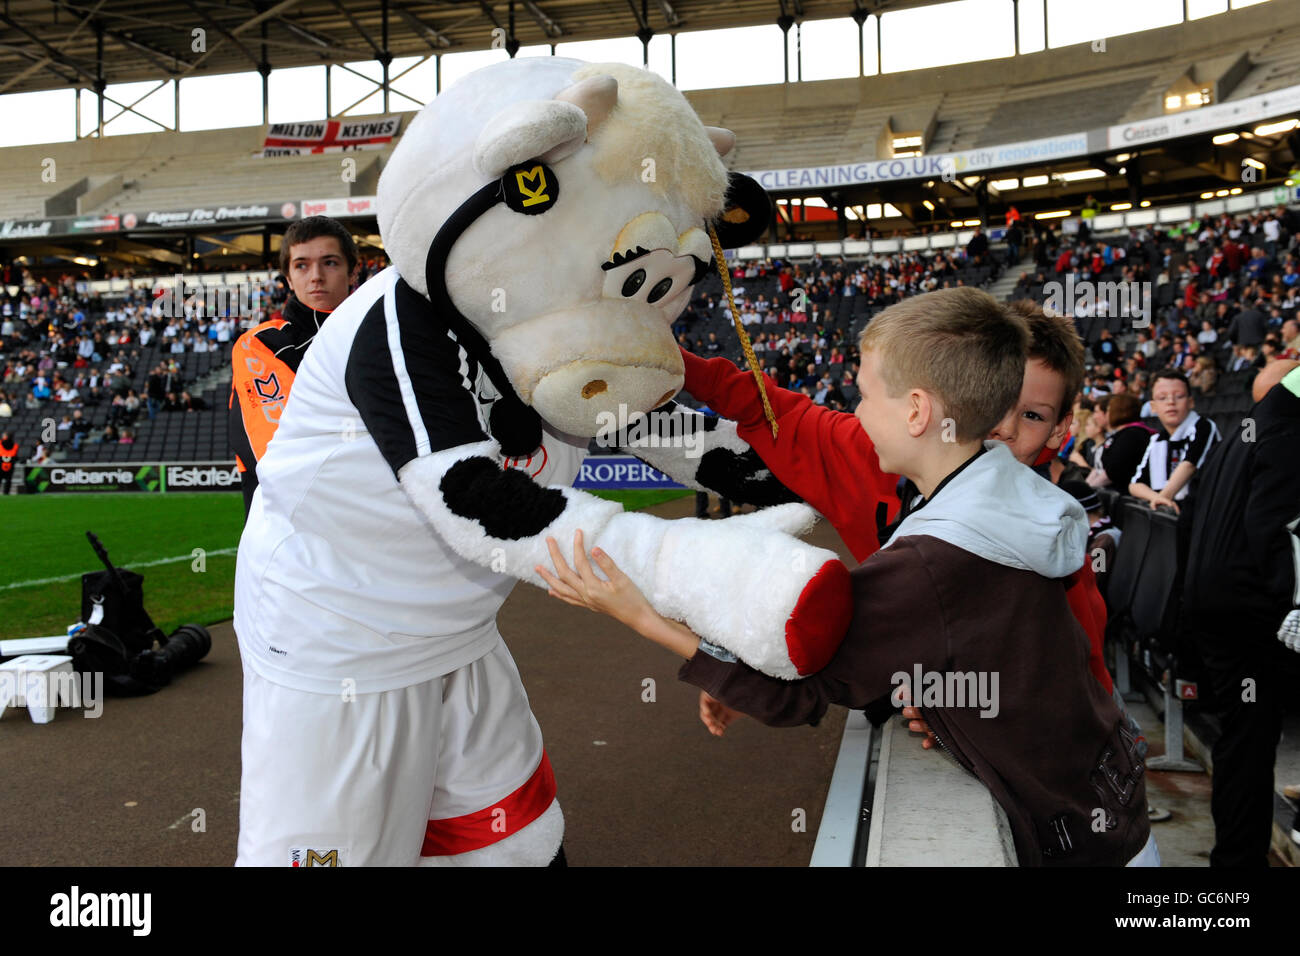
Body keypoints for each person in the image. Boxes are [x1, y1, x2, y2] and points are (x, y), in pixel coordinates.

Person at [541, 288, 1154, 866]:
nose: (855, 411)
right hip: (1109, 799)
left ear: (917, 409)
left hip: (1061, 833)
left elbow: (801, 691)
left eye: (863, 394)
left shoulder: (933, 557)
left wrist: (641, 615)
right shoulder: (1018, 496)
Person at [1181, 360, 1300, 866]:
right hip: (1255, 615)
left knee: (1242, 742)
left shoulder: (1246, 430)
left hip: (1218, 609)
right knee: (1249, 744)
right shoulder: (1287, 430)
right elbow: (1278, 529)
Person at [229, 216, 361, 518]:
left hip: (375, 533)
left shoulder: (382, 336)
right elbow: (281, 455)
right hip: (288, 536)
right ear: (288, 278)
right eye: (301, 265)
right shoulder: (262, 343)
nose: (315, 276)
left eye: (329, 263)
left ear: (353, 271)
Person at [1128, 369, 1219, 513]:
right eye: (1162, 398)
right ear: (1153, 407)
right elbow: (1135, 485)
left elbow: (1189, 465)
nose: (1171, 402)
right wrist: (1158, 499)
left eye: (1179, 396)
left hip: (1203, 510)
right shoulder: (1157, 439)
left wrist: (1163, 499)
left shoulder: (1203, 426)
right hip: (1170, 510)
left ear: (1190, 402)